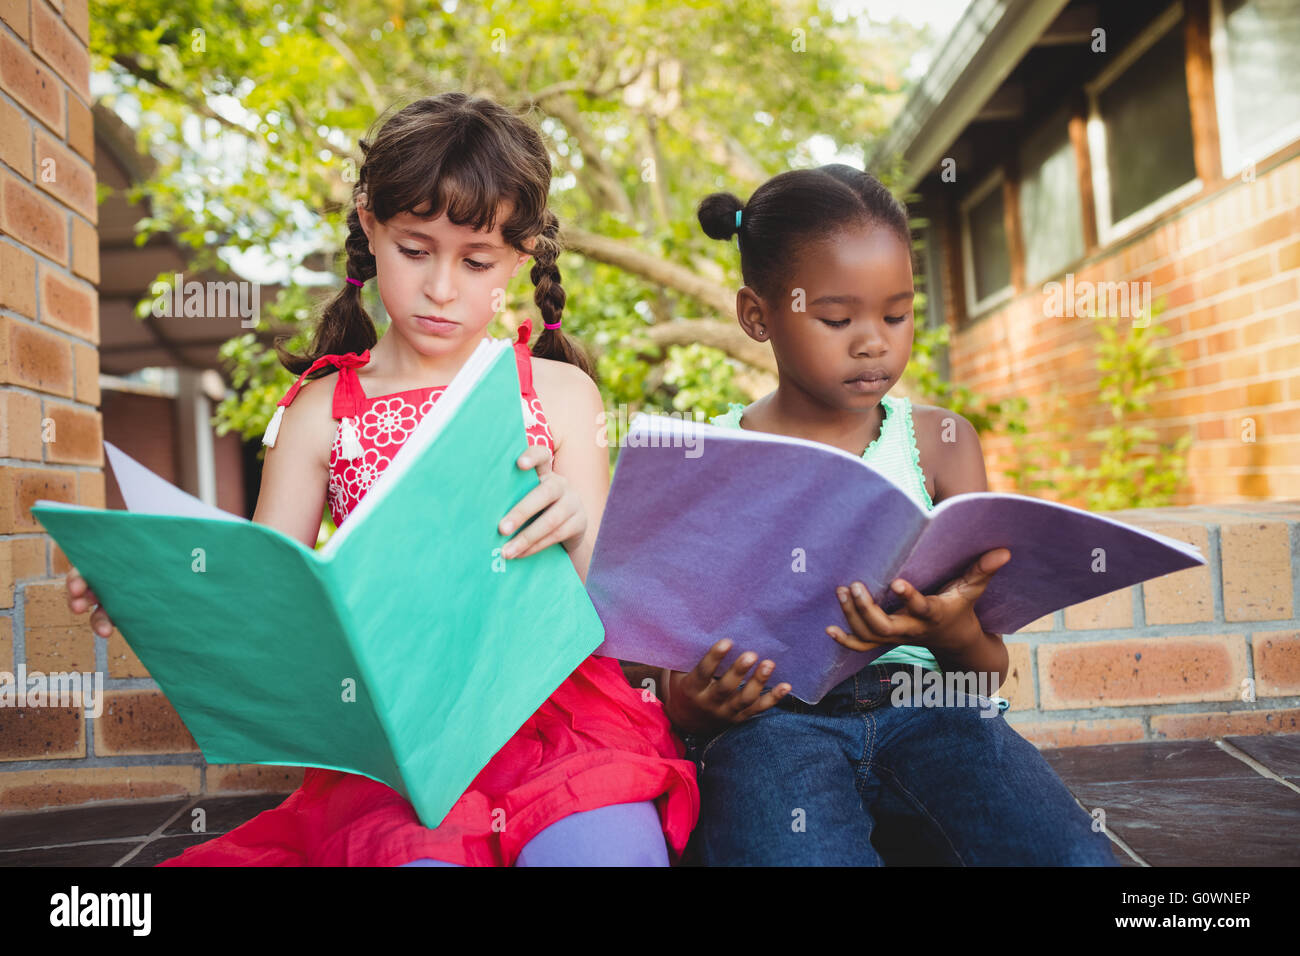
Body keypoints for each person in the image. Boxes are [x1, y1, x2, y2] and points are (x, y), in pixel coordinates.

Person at [65, 91, 698, 867]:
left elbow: (615, 613)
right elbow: (267, 600)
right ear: (370, 225)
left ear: (522, 255)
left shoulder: (559, 393)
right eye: (415, 249)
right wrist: (150, 595)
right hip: (401, 740)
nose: (441, 288)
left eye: (476, 261)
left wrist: (576, 526)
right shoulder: (322, 409)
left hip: (557, 722)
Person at [633, 164, 1119, 866]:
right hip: (771, 724)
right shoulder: (705, 456)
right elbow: (647, 655)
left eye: (897, 314)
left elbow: (986, 673)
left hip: (935, 708)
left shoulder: (940, 443)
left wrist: (953, 634)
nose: (873, 341)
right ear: (756, 315)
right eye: (837, 318)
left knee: (1073, 857)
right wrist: (688, 703)